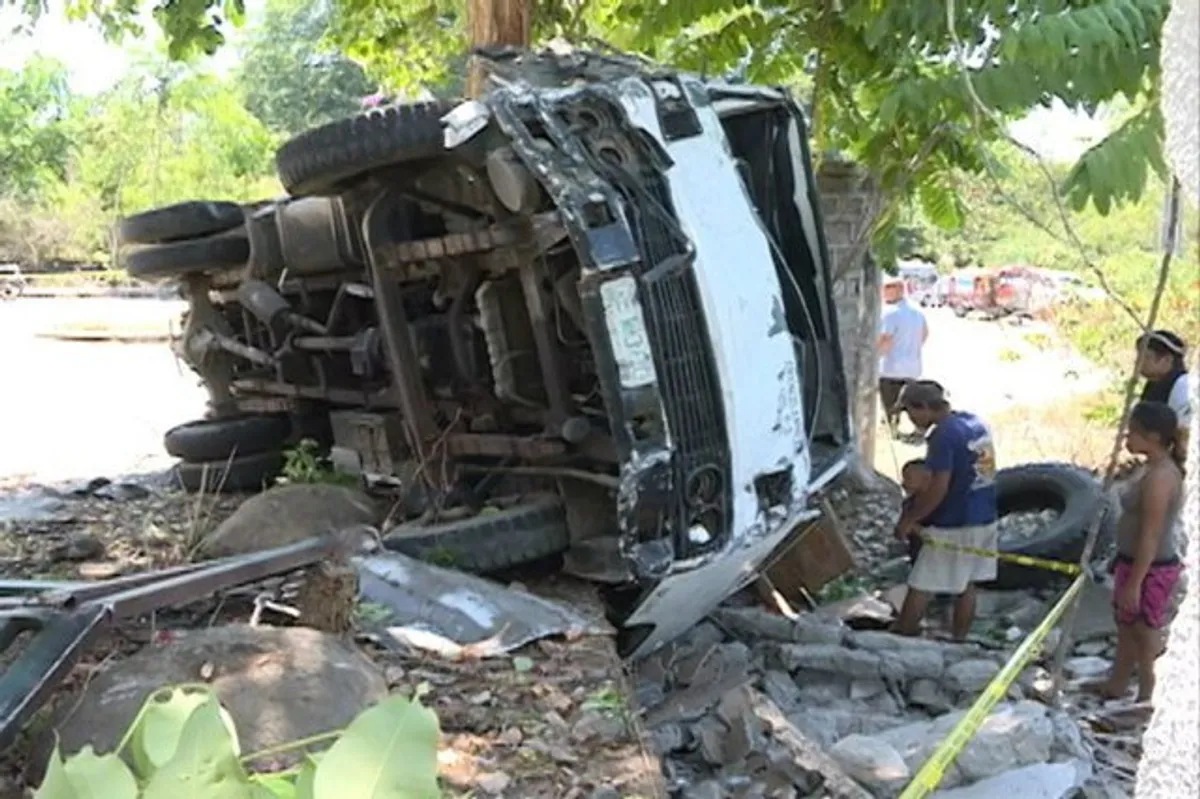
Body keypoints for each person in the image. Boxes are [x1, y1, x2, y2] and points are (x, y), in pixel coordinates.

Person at [1093, 401, 1185, 703]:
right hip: (1130, 561)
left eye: (1133, 433)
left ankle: (1148, 698)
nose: (1126, 439)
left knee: (1145, 634)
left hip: (1151, 567)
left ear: (1154, 437)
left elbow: (1151, 534)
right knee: (1126, 625)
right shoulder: (1147, 468)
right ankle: (1116, 685)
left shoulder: (1161, 477)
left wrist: (1135, 582)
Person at [891, 381, 998, 640]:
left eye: (910, 412)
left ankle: (901, 635)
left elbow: (938, 487)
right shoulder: (975, 423)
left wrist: (910, 519)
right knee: (966, 584)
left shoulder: (943, 436)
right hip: (985, 515)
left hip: (955, 523)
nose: (911, 419)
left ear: (925, 407)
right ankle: (959, 639)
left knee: (921, 582)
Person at [878, 276, 929, 432]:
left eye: (887, 288)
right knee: (910, 401)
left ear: (898, 290)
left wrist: (874, 358)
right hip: (913, 367)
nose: (883, 292)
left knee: (890, 403)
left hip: (891, 368)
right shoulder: (917, 312)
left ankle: (892, 428)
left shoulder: (889, 313)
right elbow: (925, 334)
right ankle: (918, 428)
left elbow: (885, 339)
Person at [1137, 330, 1191, 455]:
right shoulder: (1154, 385)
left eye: (1146, 356)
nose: (1138, 362)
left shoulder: (1183, 386)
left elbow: (1184, 437)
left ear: (1166, 360)